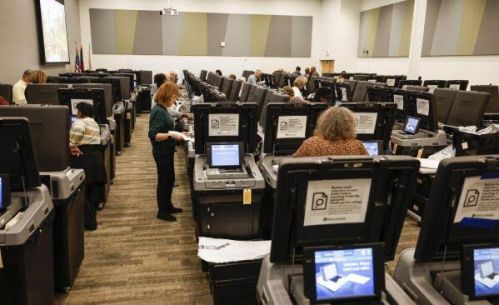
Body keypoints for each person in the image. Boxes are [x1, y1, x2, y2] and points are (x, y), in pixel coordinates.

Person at [149, 82, 185, 222]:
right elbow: (154, 135)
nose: (174, 100)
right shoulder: (158, 111)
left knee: (169, 179)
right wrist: (172, 135)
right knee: (164, 181)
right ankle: (162, 211)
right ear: (167, 96)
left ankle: (168, 205)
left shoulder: (162, 109)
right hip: (161, 152)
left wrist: (179, 133)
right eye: (174, 97)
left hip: (167, 150)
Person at [69, 102, 105, 230]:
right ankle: (91, 220)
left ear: (80, 112)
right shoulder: (94, 123)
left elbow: (72, 141)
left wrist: (70, 146)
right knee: (92, 192)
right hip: (96, 159)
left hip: (85, 159)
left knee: (83, 192)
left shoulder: (79, 123)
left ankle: (89, 223)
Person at [293, 107, 368, 157]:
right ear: (350, 124)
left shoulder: (310, 144)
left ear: (323, 122)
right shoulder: (357, 145)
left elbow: (293, 167)